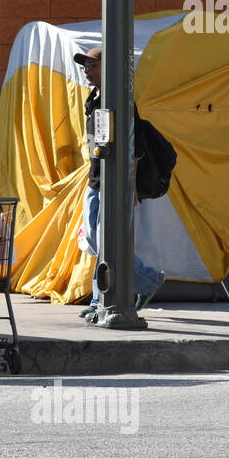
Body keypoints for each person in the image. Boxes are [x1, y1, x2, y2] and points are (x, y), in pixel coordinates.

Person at [75, 46, 166, 322]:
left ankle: (123, 289)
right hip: (95, 180)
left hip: (114, 183)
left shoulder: (121, 101)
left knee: (108, 241)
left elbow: (134, 147)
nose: (87, 71)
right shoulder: (94, 98)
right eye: (86, 67)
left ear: (109, 68)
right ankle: (134, 284)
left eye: (92, 66)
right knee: (94, 239)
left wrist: (130, 187)